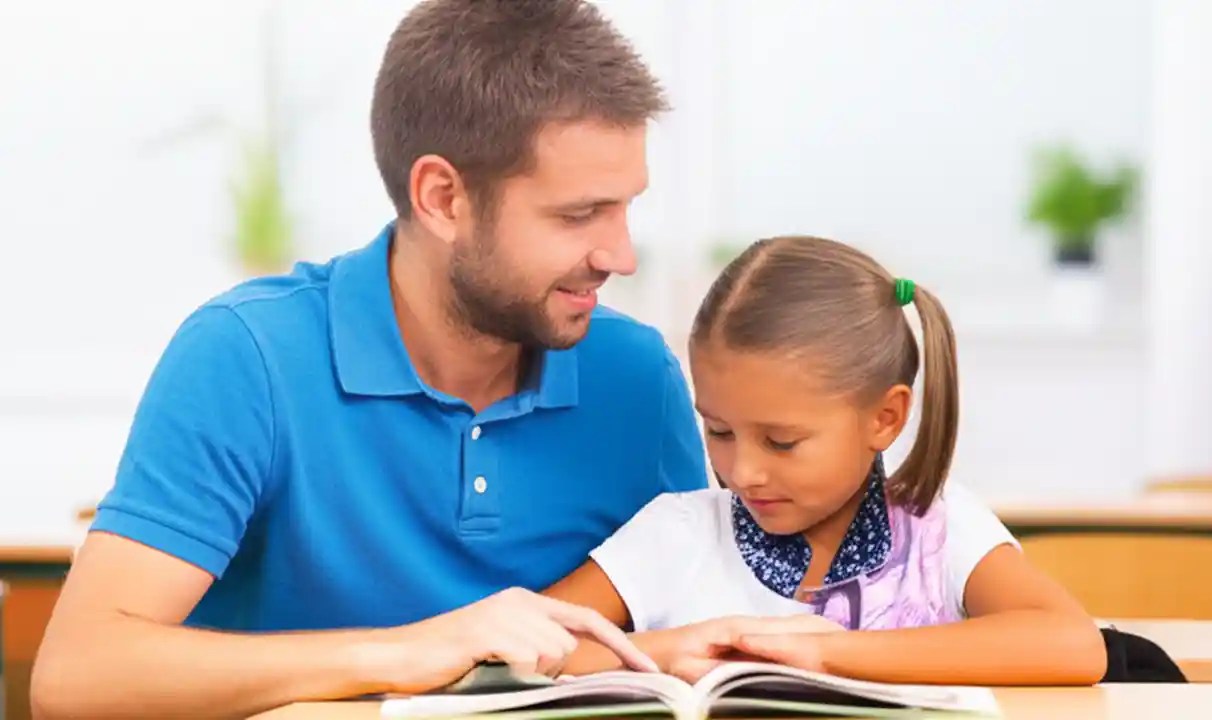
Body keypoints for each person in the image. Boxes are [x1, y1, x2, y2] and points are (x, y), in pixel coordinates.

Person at [32, 1, 707, 717]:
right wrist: (408, 651)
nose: (620, 257)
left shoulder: (637, 379)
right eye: (577, 215)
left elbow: (695, 644)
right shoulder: (248, 356)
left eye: (626, 208)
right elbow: (77, 678)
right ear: (443, 198)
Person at [547, 235, 1107, 685]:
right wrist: (669, 649)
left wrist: (825, 653)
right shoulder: (677, 533)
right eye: (718, 430)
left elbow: (1074, 645)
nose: (742, 472)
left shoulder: (939, 528)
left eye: (782, 442)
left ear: (884, 418)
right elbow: (522, 648)